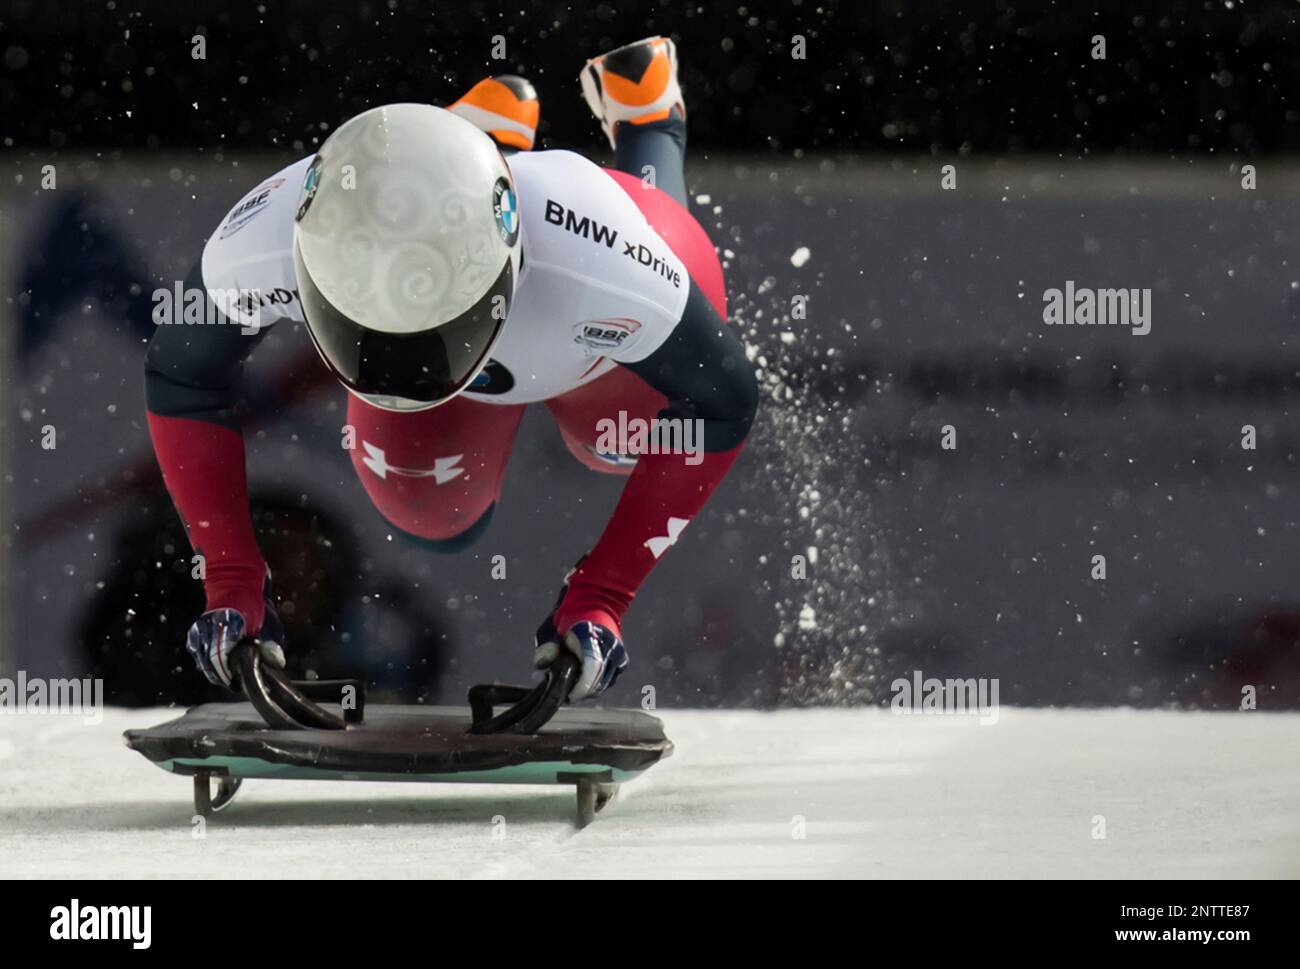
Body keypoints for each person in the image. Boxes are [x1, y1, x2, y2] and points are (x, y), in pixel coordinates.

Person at [144, 37, 758, 702]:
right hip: (551, 319)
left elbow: (724, 403)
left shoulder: (606, 267)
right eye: (366, 338)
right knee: (432, 514)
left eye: (426, 346)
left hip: (601, 285)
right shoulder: (264, 243)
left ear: (507, 273)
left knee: (615, 444)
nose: (406, 377)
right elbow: (182, 377)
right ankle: (478, 141)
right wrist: (230, 576)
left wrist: (604, 593)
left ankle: (649, 123)